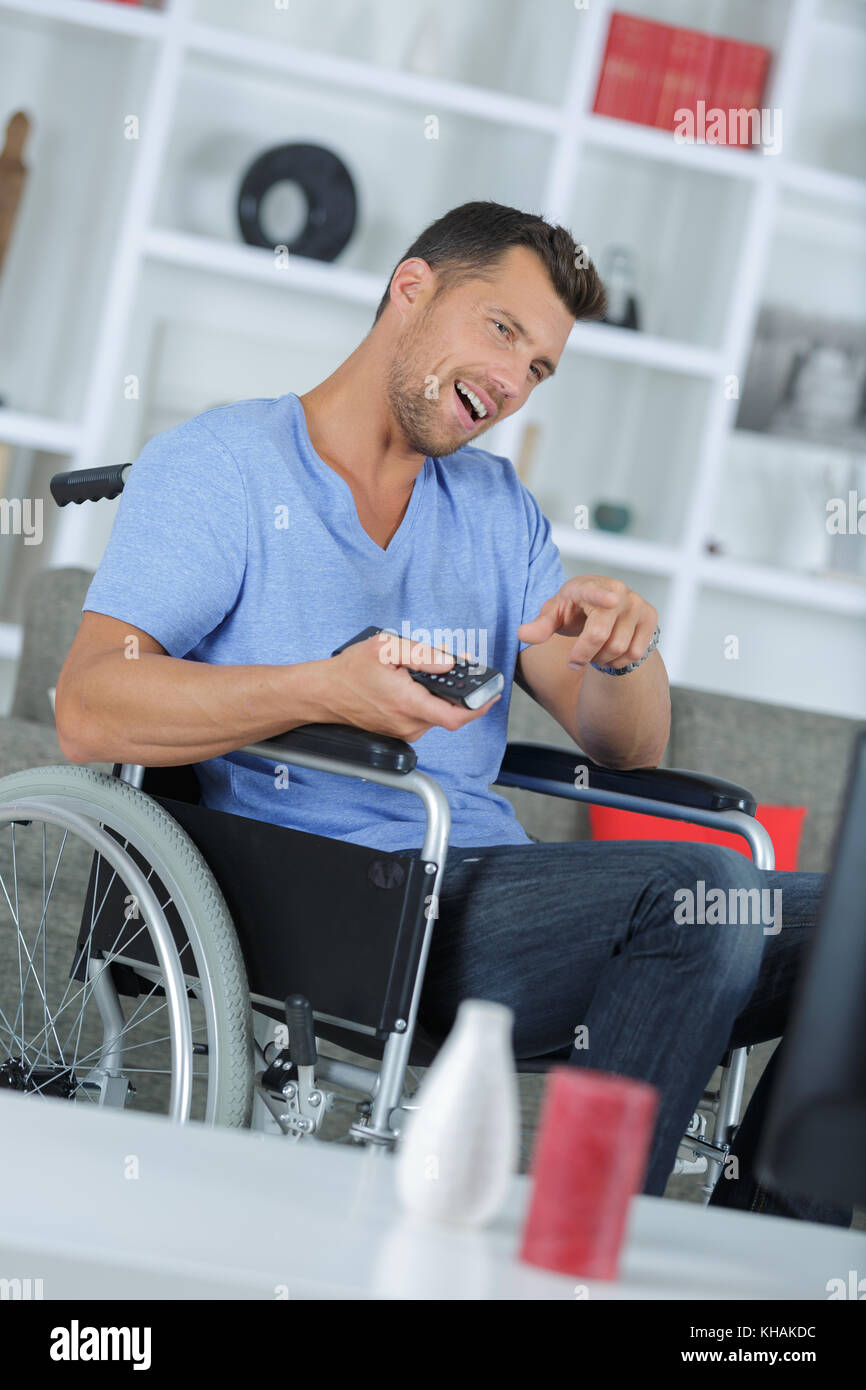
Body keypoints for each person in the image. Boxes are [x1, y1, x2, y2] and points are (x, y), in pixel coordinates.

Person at [55, 201, 850, 1227]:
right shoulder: (225, 467)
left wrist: (625, 648)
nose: (514, 381)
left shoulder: (492, 508)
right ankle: (576, 1250)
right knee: (695, 883)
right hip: (345, 902)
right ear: (411, 287)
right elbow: (89, 705)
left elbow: (630, 744)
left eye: (542, 367)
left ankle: (763, 1251)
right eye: (502, 330)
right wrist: (323, 686)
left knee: (850, 924)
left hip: (492, 893)